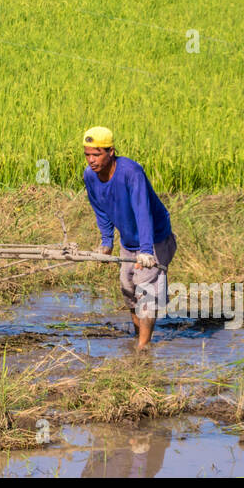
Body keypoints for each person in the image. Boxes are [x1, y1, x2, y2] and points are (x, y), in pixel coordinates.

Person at [81, 126, 176, 350]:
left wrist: (145, 250)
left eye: (97, 154)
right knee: (128, 288)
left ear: (111, 151)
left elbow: (142, 210)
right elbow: (100, 209)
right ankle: (139, 338)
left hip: (153, 239)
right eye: (87, 155)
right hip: (129, 240)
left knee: (146, 291)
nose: (91, 160)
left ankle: (142, 350)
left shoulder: (131, 172)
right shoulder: (90, 176)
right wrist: (106, 242)